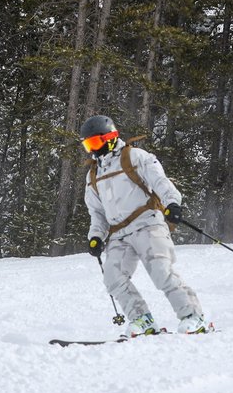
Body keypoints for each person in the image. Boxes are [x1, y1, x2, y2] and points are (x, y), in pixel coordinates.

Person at [80, 115, 210, 335]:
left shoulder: (135, 157)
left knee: (161, 271)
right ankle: (142, 319)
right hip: (119, 233)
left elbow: (160, 181)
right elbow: (97, 212)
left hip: (147, 224)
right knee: (113, 277)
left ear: (110, 138)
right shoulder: (93, 175)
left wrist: (172, 204)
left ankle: (193, 316)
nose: (92, 150)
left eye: (94, 143)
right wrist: (96, 236)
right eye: (87, 145)